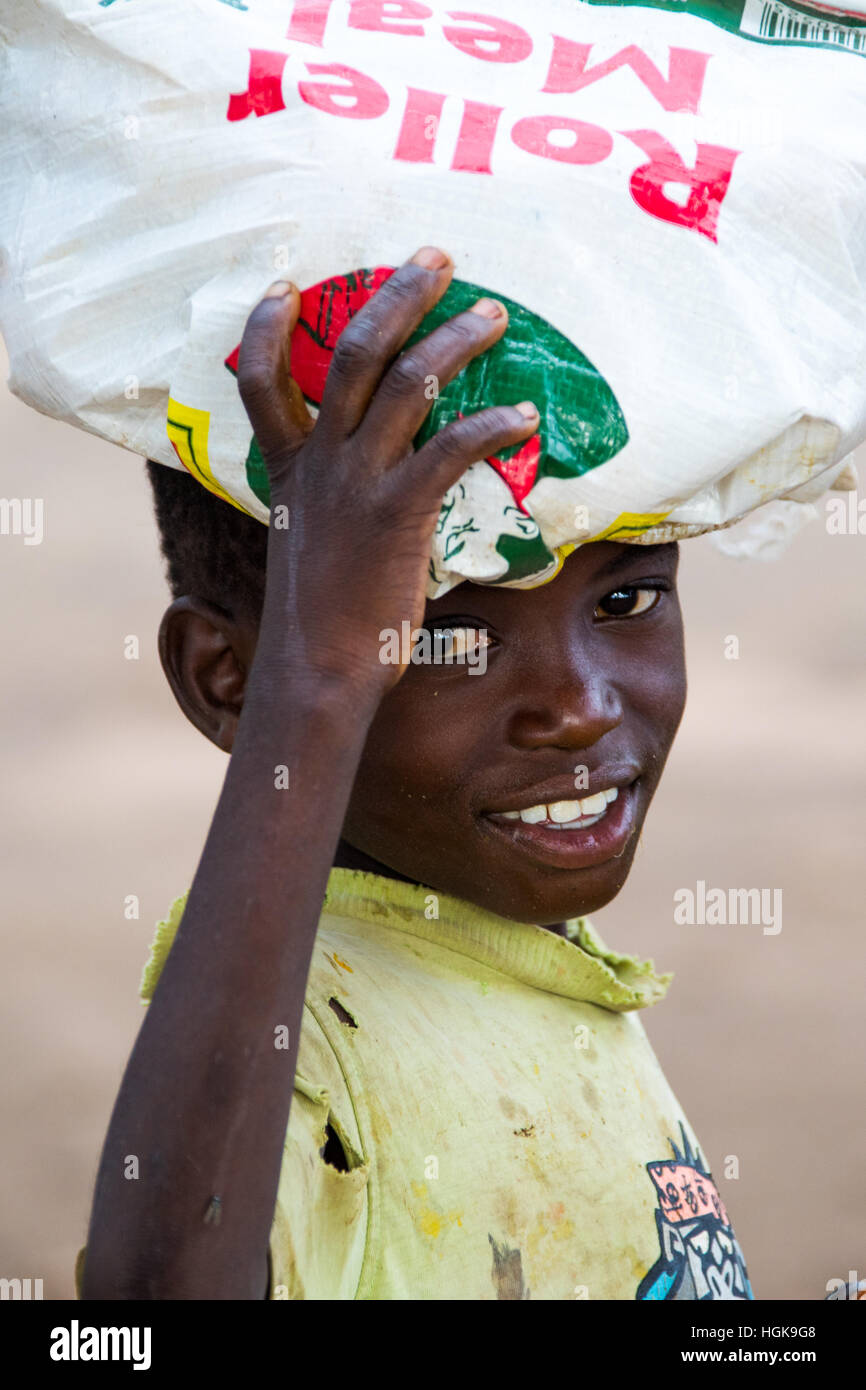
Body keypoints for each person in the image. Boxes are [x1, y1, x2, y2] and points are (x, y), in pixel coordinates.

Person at [78, 244, 752, 1301]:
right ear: (229, 680)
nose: (577, 707)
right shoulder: (299, 1043)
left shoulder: (526, 960)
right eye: (447, 639)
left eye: (623, 603)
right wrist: (317, 686)